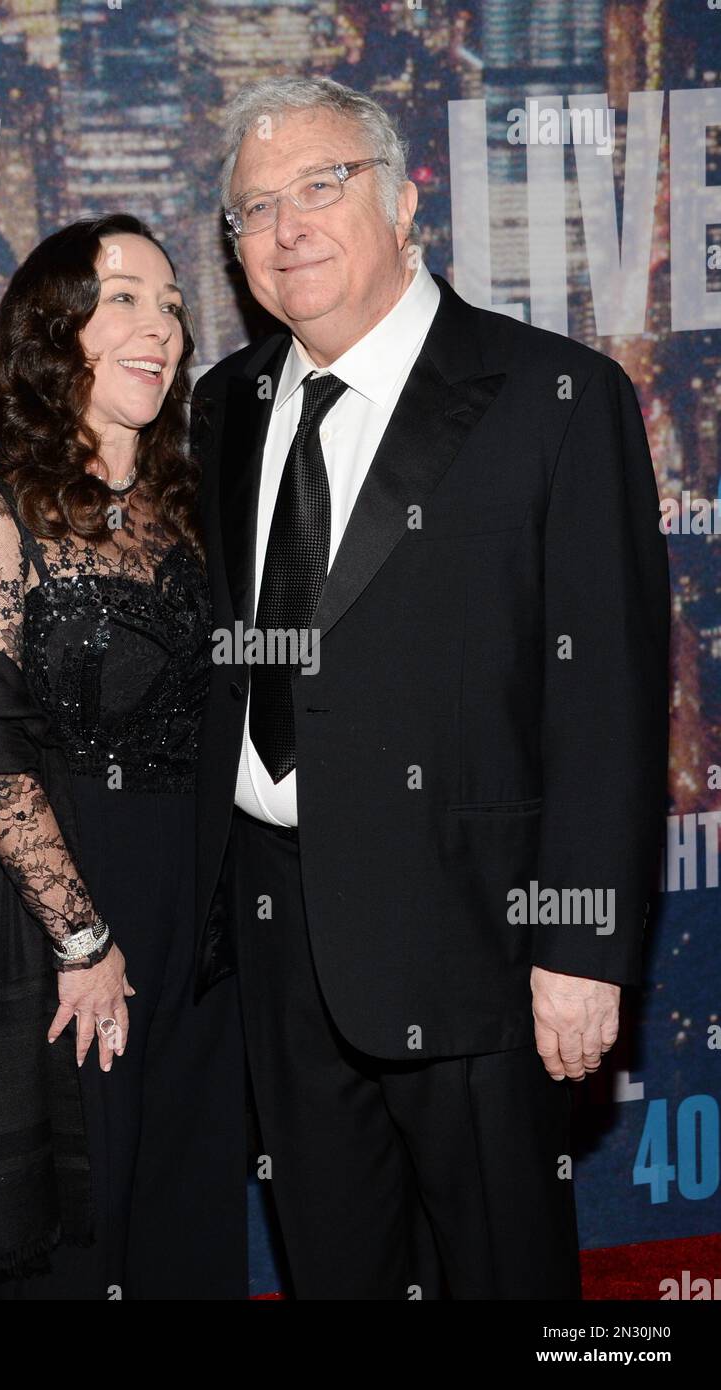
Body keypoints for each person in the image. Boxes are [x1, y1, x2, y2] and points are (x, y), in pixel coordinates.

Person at [190, 76, 670, 1300]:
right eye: (252, 208)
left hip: (479, 942)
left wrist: (580, 946)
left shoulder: (552, 398)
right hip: (276, 931)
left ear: (404, 201)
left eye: (319, 184)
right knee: (332, 1266)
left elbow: (606, 700)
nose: (285, 225)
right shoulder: (226, 410)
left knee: (503, 1270)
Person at [0, 213, 246, 1300]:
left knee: (182, 1220)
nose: (161, 327)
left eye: (174, 305)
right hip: (72, 919)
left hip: (197, 918)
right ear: (55, 330)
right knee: (83, 1234)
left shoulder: (190, 506)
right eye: (124, 299)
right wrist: (81, 934)